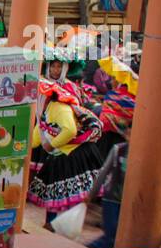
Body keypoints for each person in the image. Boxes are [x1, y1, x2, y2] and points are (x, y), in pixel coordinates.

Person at [28, 77, 105, 226]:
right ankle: (53, 224)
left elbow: (70, 130)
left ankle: (63, 224)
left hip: (75, 154)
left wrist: (52, 144)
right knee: (54, 193)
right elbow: (37, 137)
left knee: (69, 194)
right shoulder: (44, 113)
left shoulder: (59, 108)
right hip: (61, 154)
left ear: (46, 97)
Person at [83, 130, 127, 248]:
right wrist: (91, 194)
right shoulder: (118, 149)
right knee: (111, 237)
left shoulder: (145, 155)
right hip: (112, 197)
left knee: (116, 237)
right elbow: (104, 172)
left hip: (127, 201)